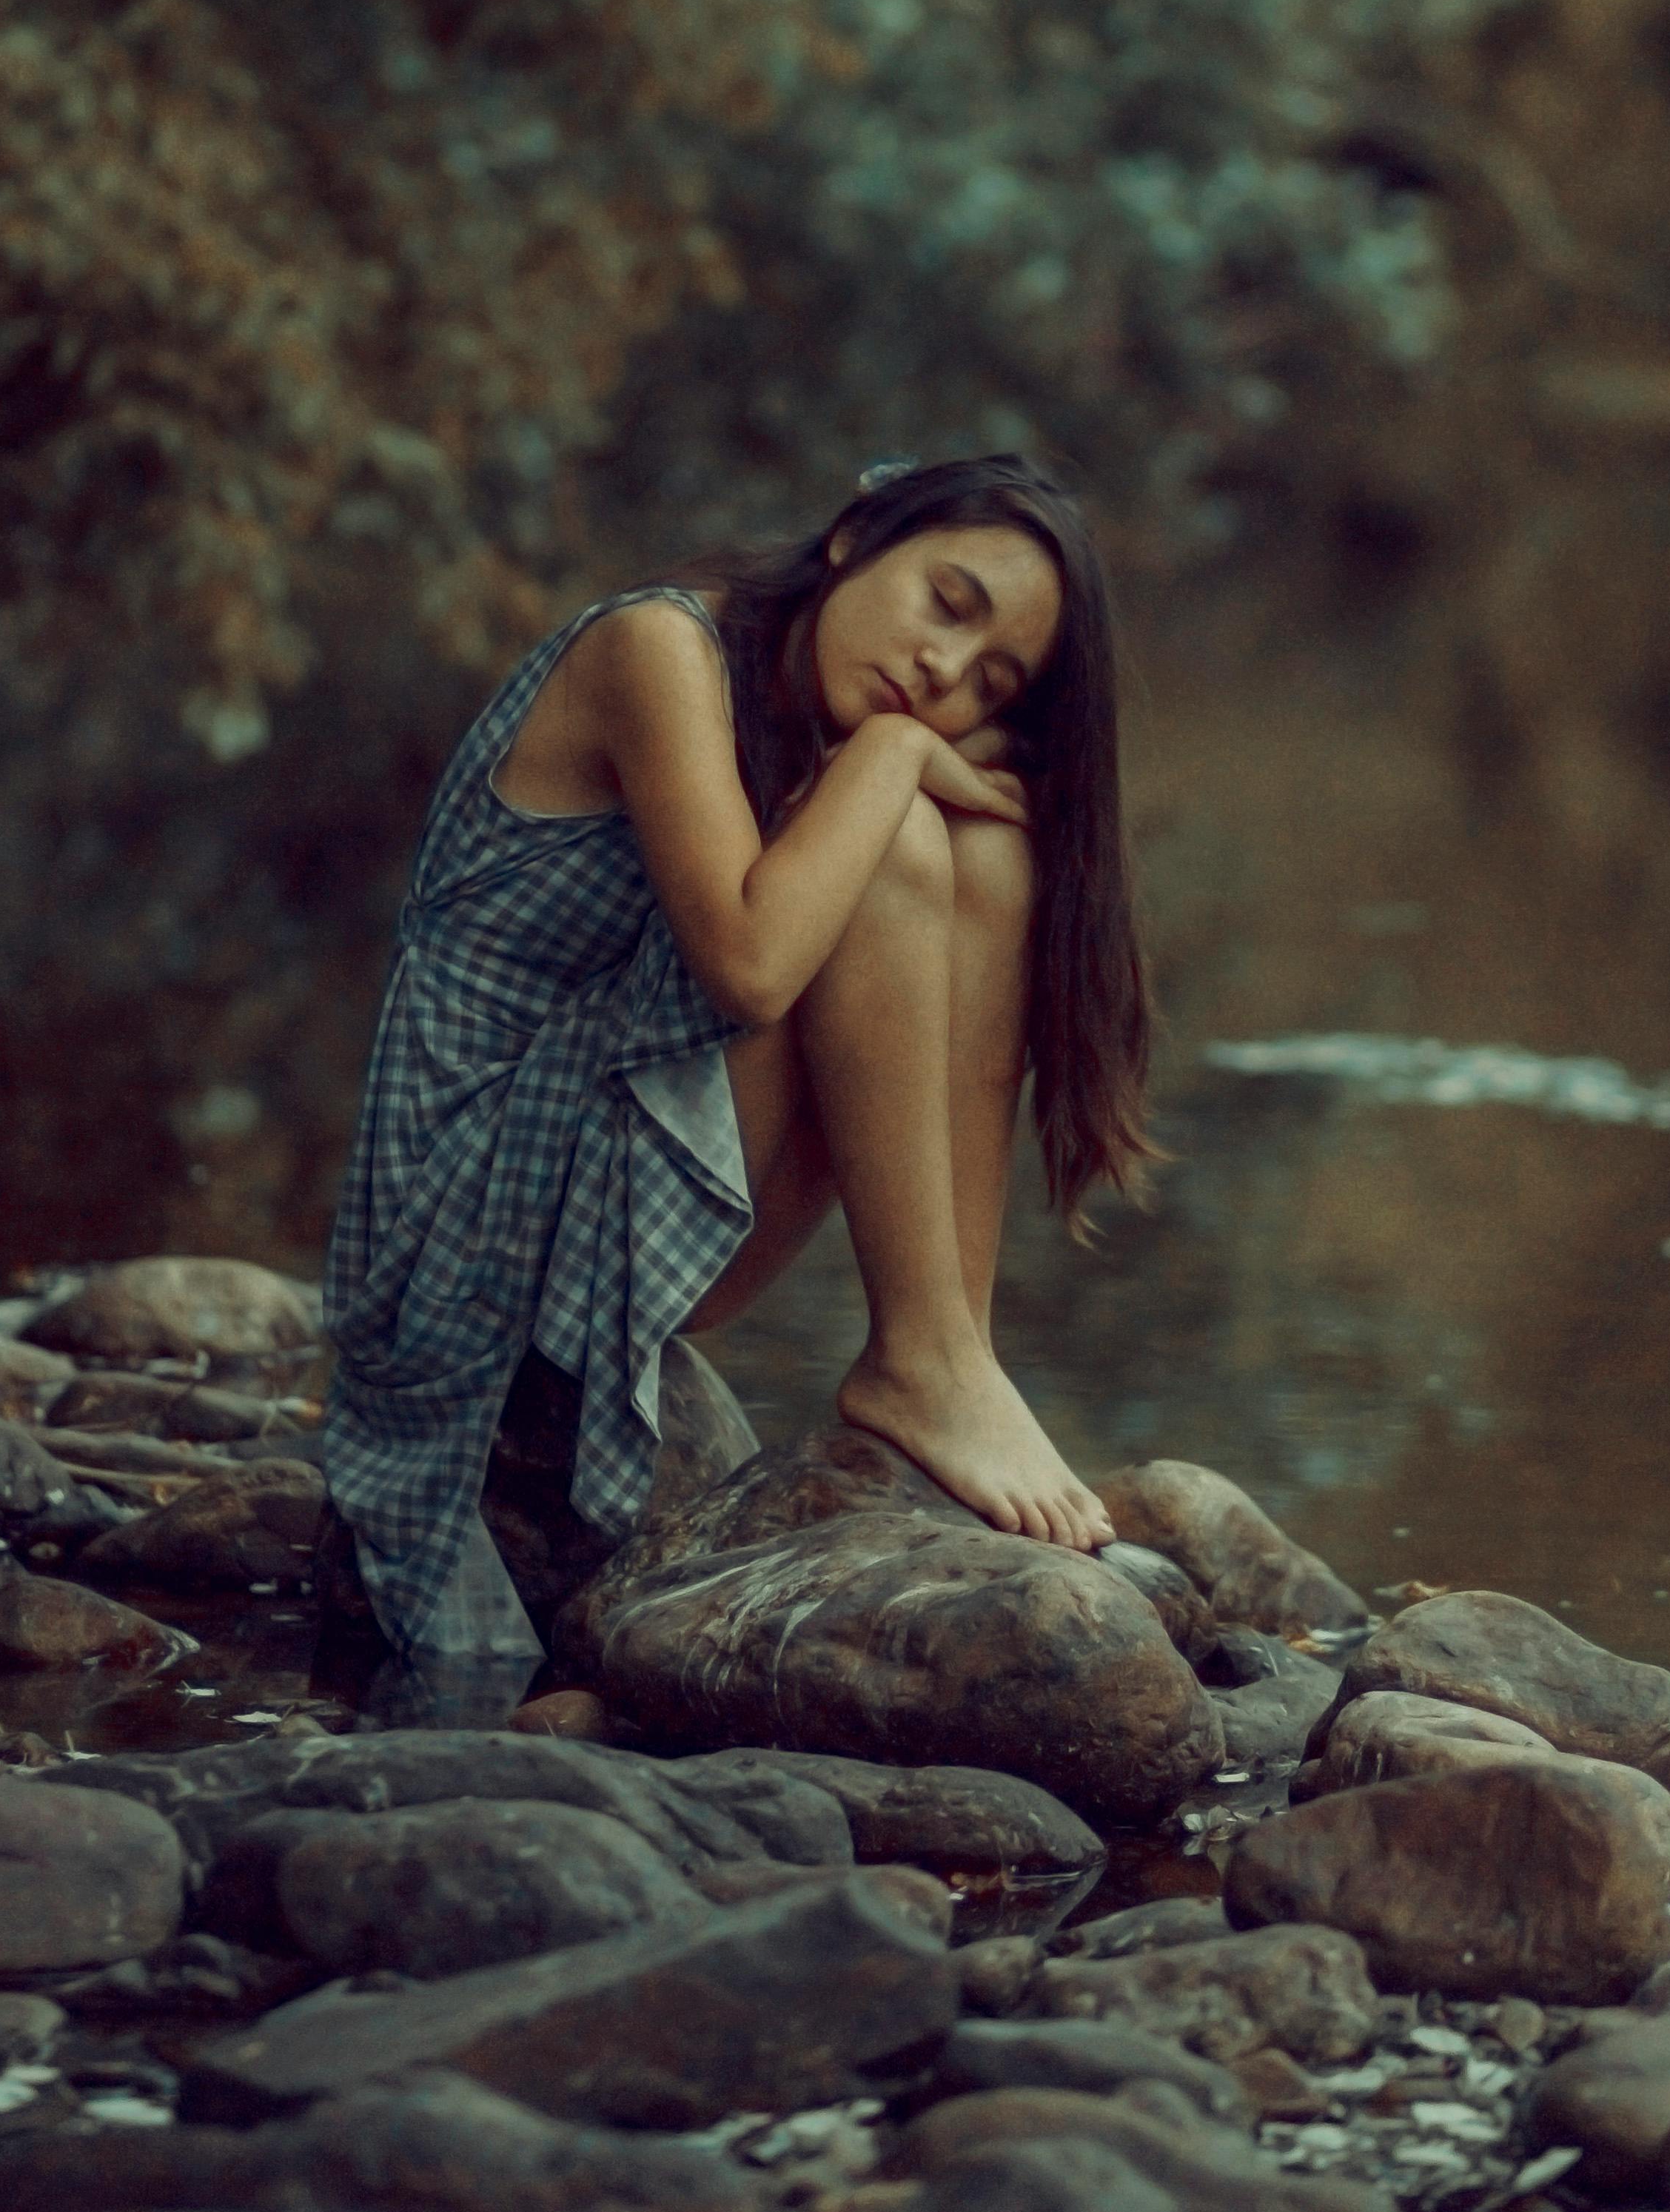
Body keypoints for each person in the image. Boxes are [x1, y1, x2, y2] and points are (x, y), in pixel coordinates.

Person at [320, 453, 1160, 1669]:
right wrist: (892, 758)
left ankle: (947, 1350)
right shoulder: (653, 650)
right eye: (947, 602)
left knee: (995, 862)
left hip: (620, 1214)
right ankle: (924, 1355)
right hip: (467, 1242)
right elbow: (750, 966)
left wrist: (896, 767)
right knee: (895, 842)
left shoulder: (808, 718)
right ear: (854, 537)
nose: (940, 673)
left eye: (989, 681)